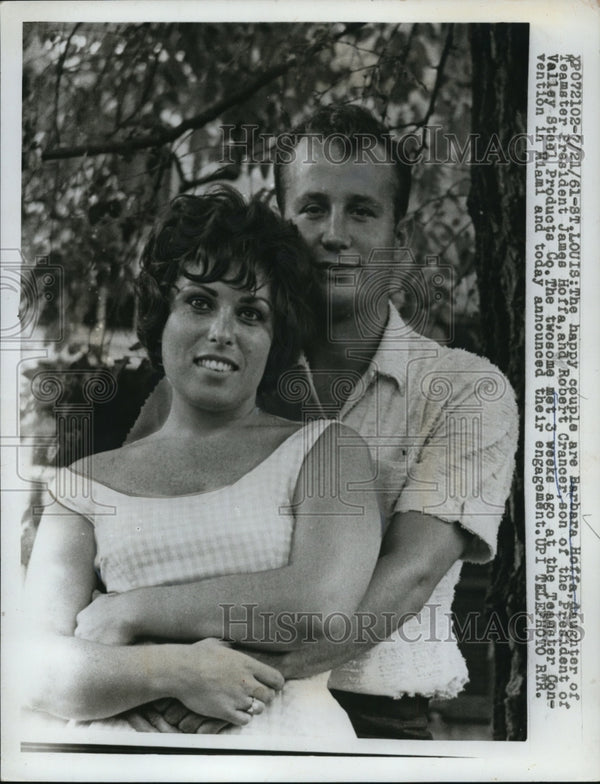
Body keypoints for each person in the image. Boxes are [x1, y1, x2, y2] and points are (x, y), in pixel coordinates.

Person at [123, 104, 520, 740]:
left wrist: (232, 685)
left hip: (373, 722)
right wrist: (151, 676)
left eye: (362, 211)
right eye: (312, 208)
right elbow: (126, 541)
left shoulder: (467, 392)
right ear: (283, 225)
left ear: (398, 238)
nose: (334, 233)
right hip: (188, 695)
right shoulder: (215, 372)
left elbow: (408, 575)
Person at [23, 187, 382, 737]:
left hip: (288, 755)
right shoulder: (81, 488)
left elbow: (319, 603)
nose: (222, 331)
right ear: (160, 317)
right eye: (198, 301)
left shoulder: (327, 452)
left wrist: (131, 612)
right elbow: (38, 671)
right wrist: (174, 671)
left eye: (251, 313)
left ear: (274, 339)